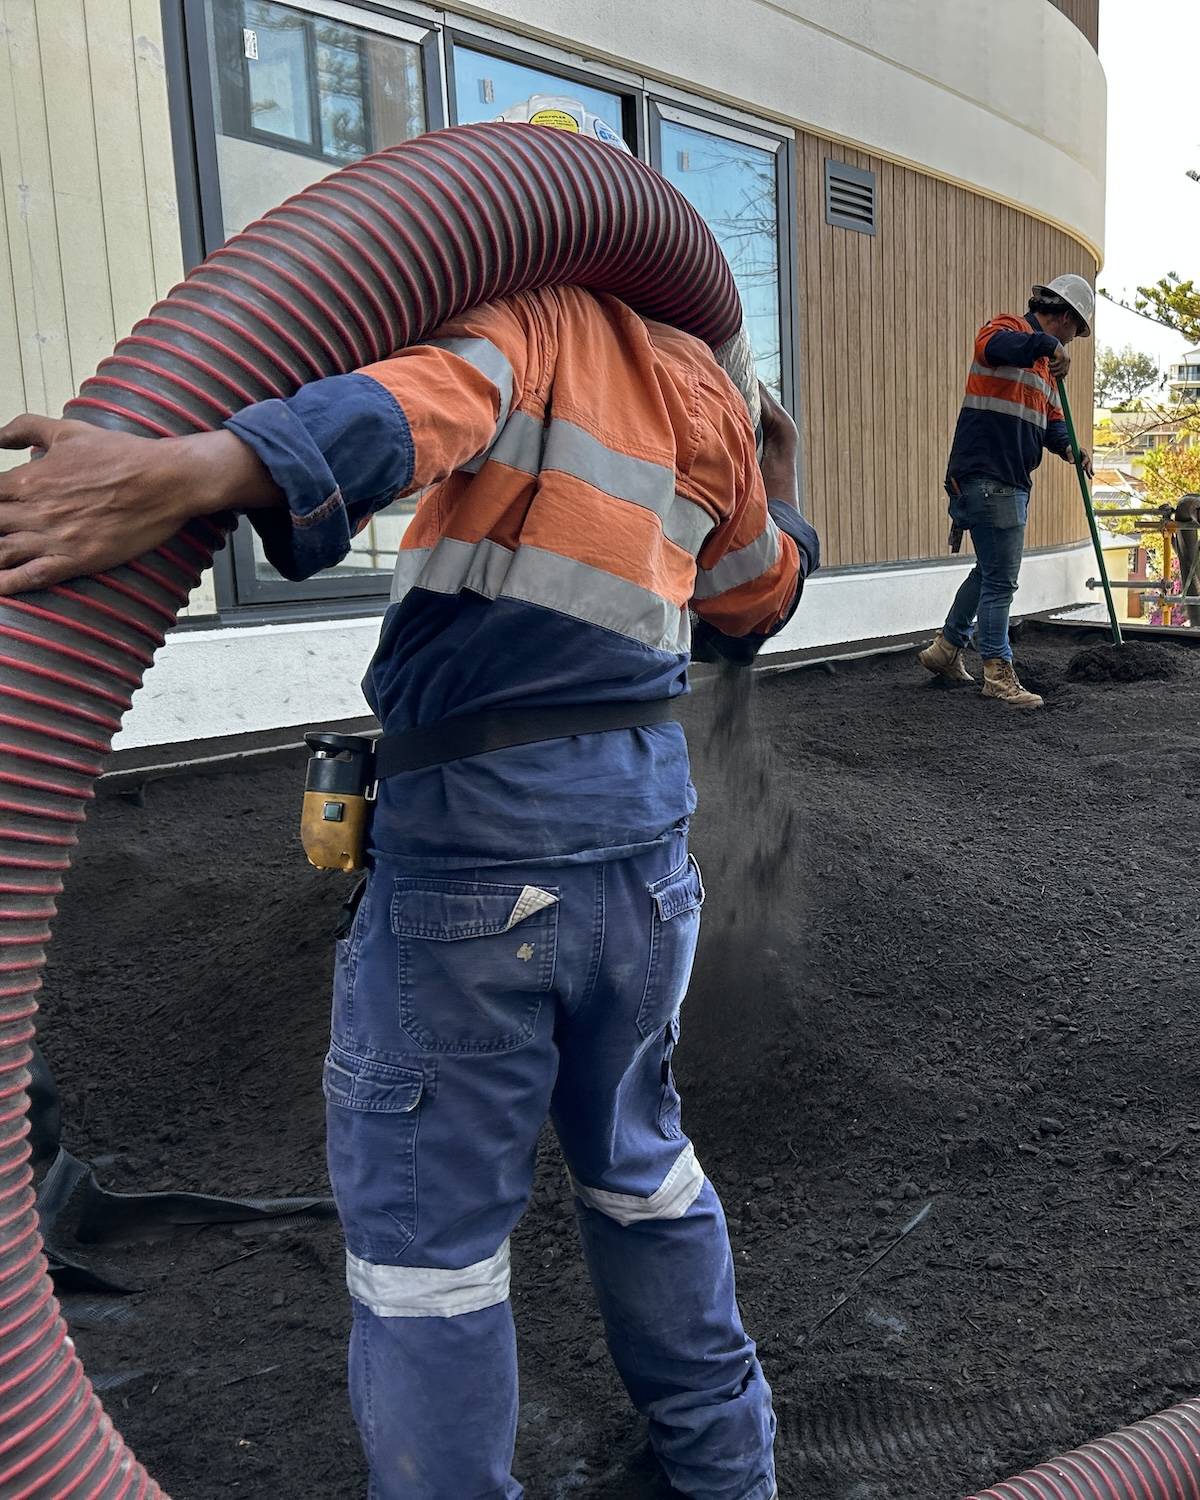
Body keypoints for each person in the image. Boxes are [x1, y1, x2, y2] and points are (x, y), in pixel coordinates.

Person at [0, 280, 818, 1500]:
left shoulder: (539, 324)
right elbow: (756, 594)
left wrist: (184, 472)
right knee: (644, 1167)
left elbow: (398, 413)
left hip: (481, 870)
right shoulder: (704, 390)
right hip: (646, 863)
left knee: (429, 1255)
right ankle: (722, 1469)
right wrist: (776, 470)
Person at [918, 274, 1095, 709]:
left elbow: (1051, 421)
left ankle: (945, 650)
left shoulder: (1044, 373)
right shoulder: (1007, 329)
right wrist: (1048, 347)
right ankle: (997, 672)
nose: (1073, 341)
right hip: (987, 476)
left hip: (1005, 478)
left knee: (987, 570)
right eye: (1076, 331)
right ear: (1065, 317)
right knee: (1001, 579)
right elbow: (993, 348)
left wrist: (1070, 446)